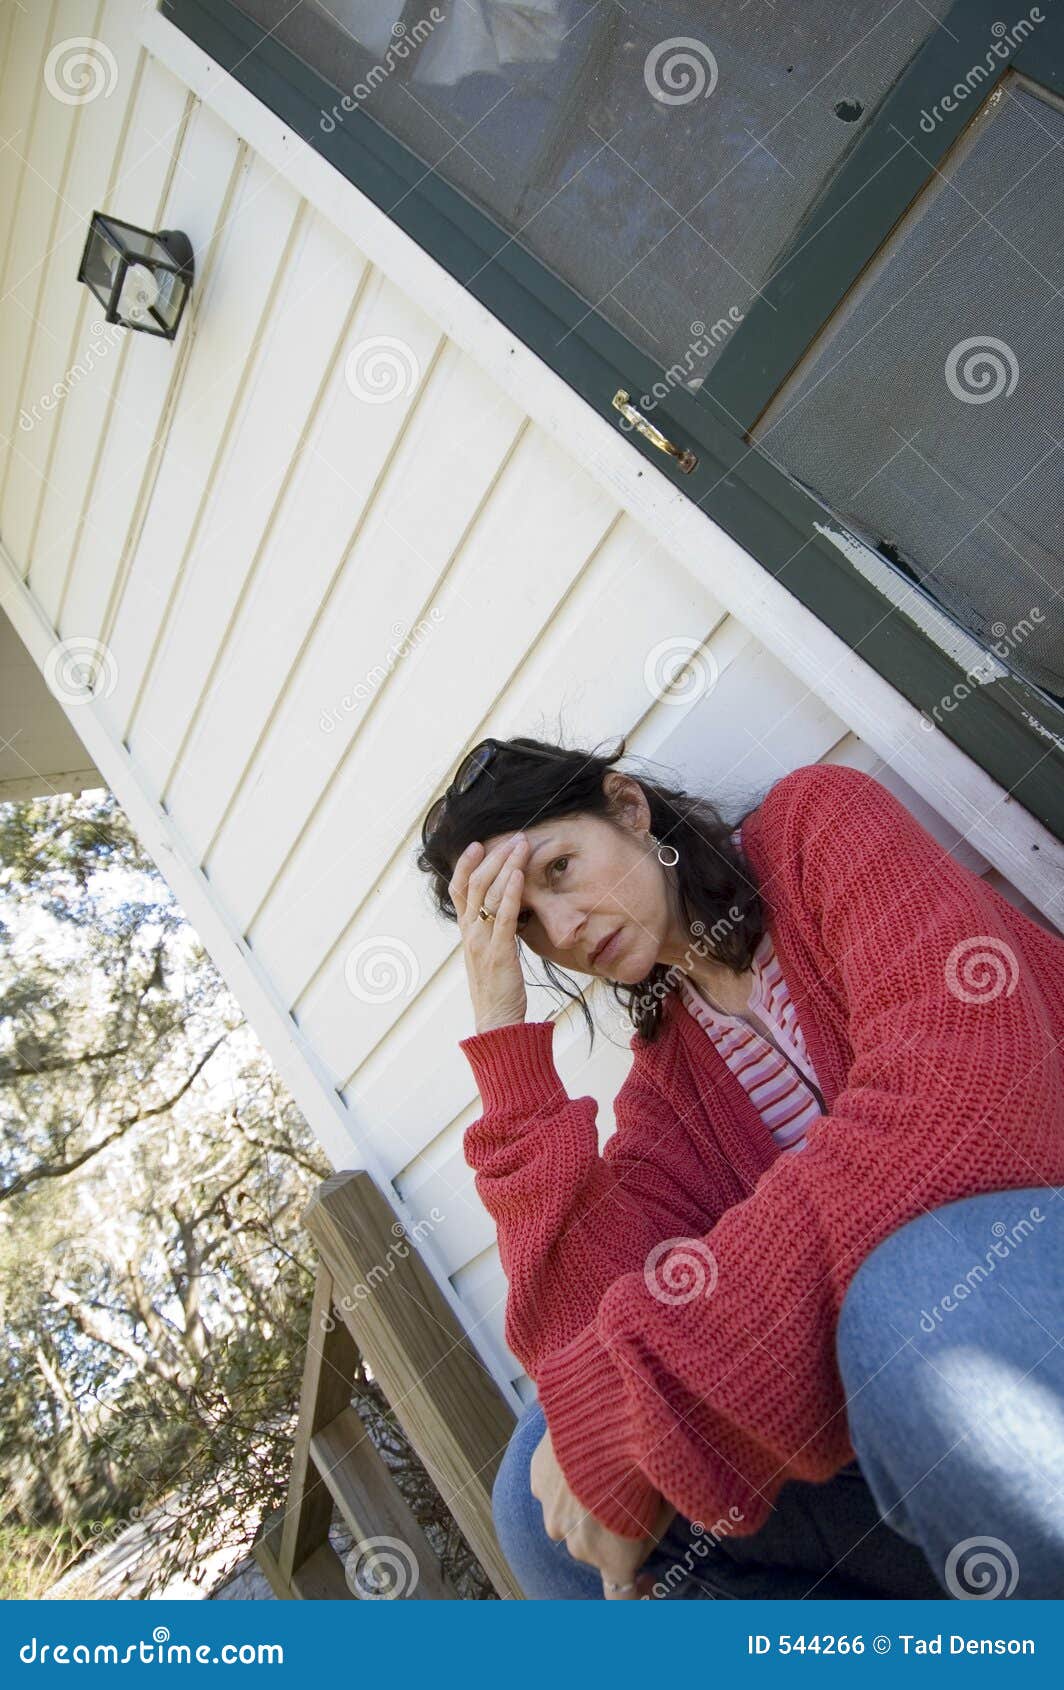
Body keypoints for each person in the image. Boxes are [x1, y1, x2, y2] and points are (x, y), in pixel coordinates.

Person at [416, 733, 1064, 1599]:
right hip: (925, 1452)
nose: (562, 929)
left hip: (1017, 1323)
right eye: (525, 922)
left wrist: (641, 1396)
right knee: (535, 1493)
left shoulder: (814, 829)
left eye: (560, 868)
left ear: (629, 810)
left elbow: (968, 1103)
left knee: (909, 1290)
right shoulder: (667, 1087)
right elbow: (585, 1331)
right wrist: (506, 1044)